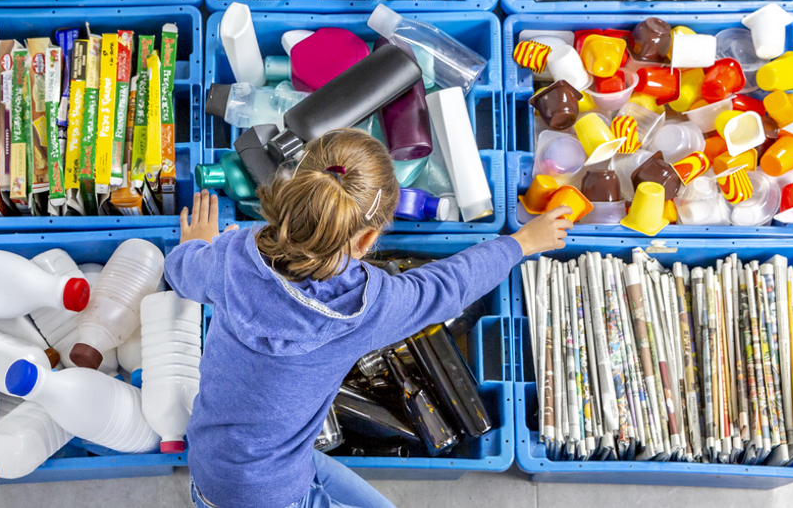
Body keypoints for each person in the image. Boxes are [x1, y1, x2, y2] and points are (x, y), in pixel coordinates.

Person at [165, 129, 572, 508]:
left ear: (295, 190)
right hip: (269, 495)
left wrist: (195, 246)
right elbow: (449, 286)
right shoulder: (363, 306)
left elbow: (180, 272)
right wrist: (521, 242)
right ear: (364, 241)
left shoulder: (229, 255)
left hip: (225, 464)